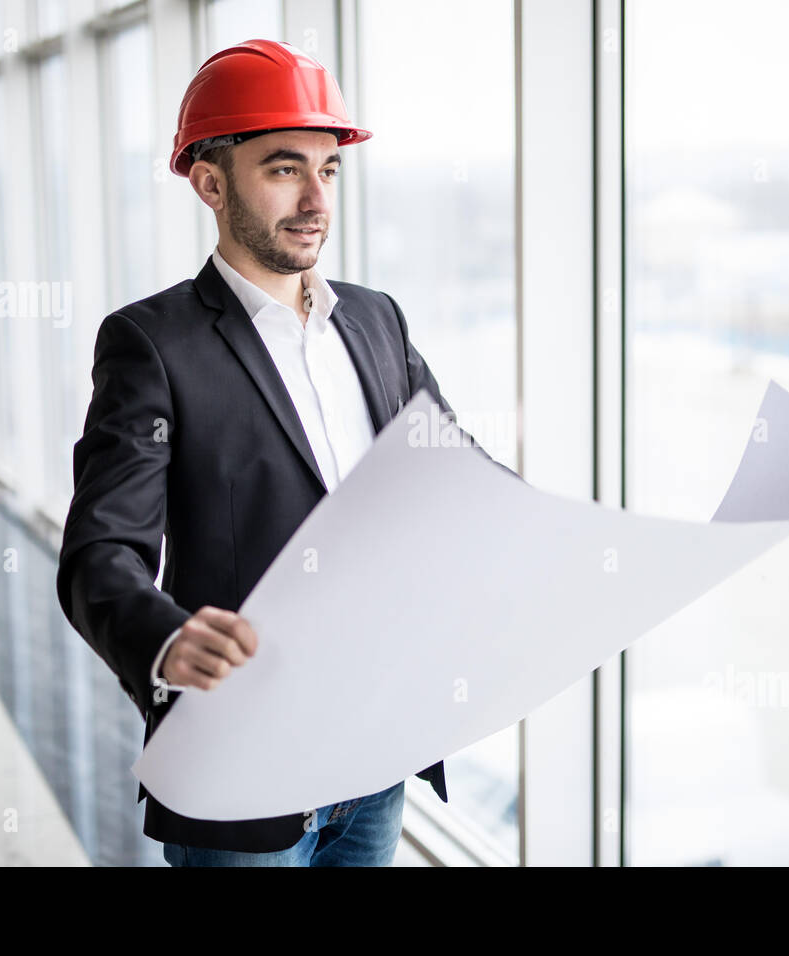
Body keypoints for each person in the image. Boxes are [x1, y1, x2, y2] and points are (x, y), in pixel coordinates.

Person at [55, 38, 515, 867]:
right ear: (210, 181)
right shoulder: (152, 345)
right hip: (242, 771)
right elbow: (101, 553)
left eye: (328, 170)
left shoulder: (376, 322)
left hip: (375, 756)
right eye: (282, 169)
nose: (315, 199)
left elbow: (457, 477)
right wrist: (165, 639)